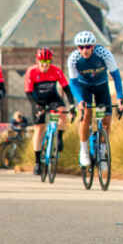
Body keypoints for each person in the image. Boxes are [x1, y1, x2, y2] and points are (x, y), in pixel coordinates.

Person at [67, 30, 123, 167]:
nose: (85, 50)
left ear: (93, 46)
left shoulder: (104, 54)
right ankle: (84, 151)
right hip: (84, 87)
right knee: (87, 113)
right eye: (81, 47)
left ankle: (103, 150)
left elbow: (116, 75)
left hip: (101, 86)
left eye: (88, 46)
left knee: (106, 120)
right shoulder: (73, 59)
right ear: (77, 48)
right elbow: (73, 82)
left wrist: (119, 96)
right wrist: (79, 100)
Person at [25, 46, 75, 177]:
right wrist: (36, 106)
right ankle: (37, 162)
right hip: (37, 100)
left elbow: (67, 89)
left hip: (53, 98)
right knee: (39, 128)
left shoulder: (56, 71)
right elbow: (28, 92)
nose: (44, 65)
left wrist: (72, 105)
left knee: (62, 112)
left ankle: (58, 136)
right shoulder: (32, 72)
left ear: (50, 62)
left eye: (47, 62)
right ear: (37, 61)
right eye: (42, 62)